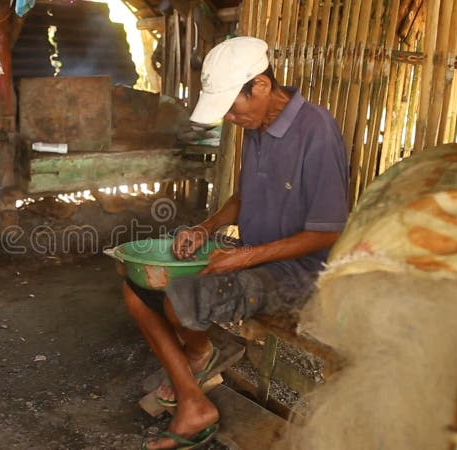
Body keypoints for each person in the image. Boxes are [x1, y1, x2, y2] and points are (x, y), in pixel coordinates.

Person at [125, 37, 349, 449]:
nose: (229, 117)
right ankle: (195, 394)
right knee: (135, 284)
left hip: (302, 276)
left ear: (261, 86)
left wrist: (244, 255)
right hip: (254, 259)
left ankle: (196, 366)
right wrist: (206, 229)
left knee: (180, 299)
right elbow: (245, 197)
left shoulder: (317, 129)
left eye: (233, 106)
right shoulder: (257, 126)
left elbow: (329, 231)